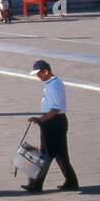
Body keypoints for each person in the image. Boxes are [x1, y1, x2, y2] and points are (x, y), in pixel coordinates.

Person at [24, 60, 80, 192]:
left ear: (46, 71)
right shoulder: (52, 83)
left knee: (45, 155)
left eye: (39, 74)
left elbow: (55, 109)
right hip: (56, 121)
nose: (38, 77)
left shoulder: (54, 85)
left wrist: (41, 119)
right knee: (61, 155)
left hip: (53, 122)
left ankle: (36, 184)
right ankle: (71, 181)